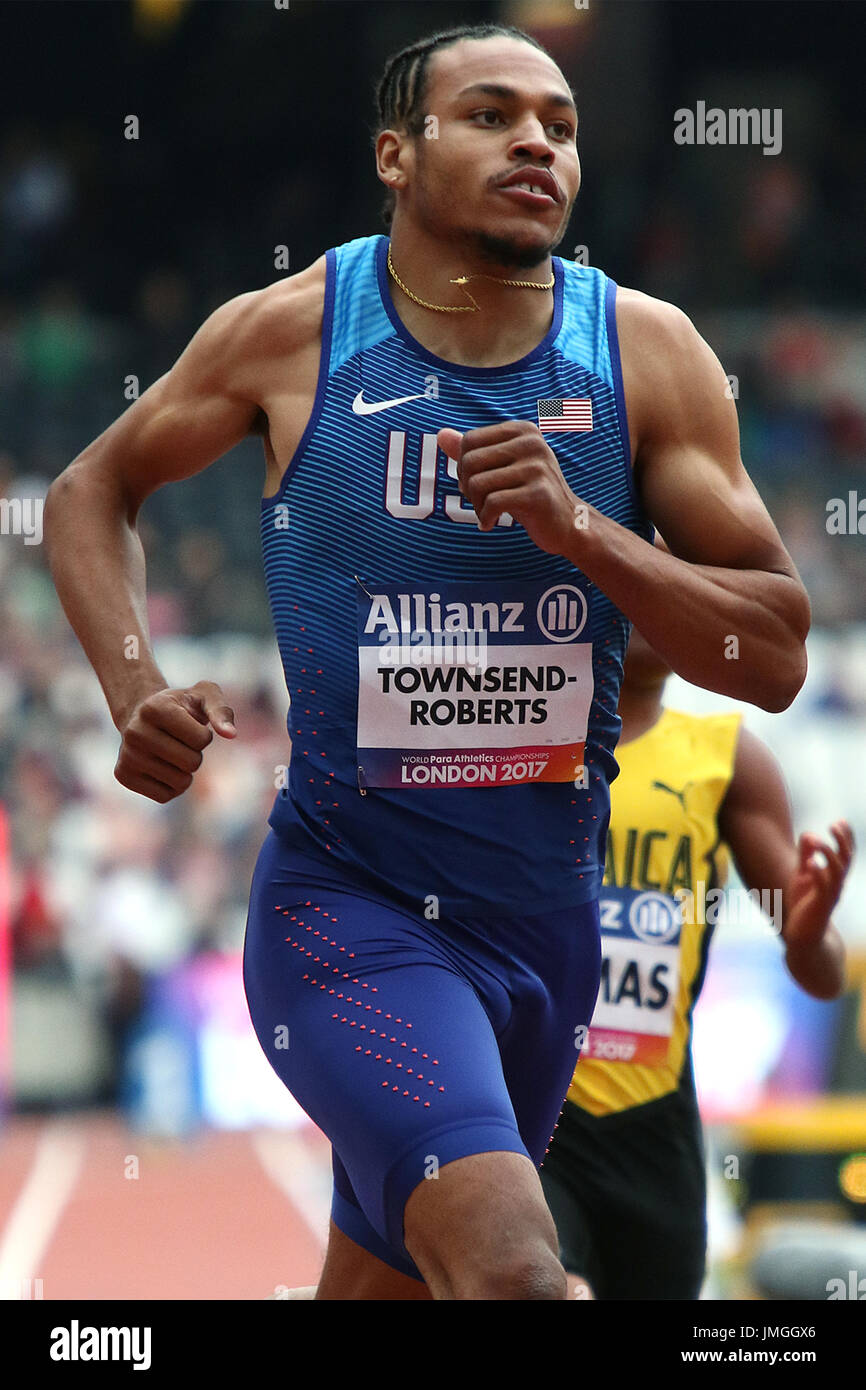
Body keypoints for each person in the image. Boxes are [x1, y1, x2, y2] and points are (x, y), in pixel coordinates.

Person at [44, 23, 811, 1300]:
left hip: (546, 928)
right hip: (351, 910)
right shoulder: (292, 334)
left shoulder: (645, 354)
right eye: (493, 115)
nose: (535, 143)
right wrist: (132, 687)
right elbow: (90, 489)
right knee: (514, 1270)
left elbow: (772, 652)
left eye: (559, 126)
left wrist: (586, 534)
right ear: (395, 155)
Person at [540, 625, 851, 1300]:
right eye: (641, 581)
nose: (662, 611)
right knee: (543, 1286)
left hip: (657, 1128)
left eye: (677, 591)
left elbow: (822, 975)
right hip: (533, 1108)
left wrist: (808, 931)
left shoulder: (729, 758)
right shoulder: (522, 741)